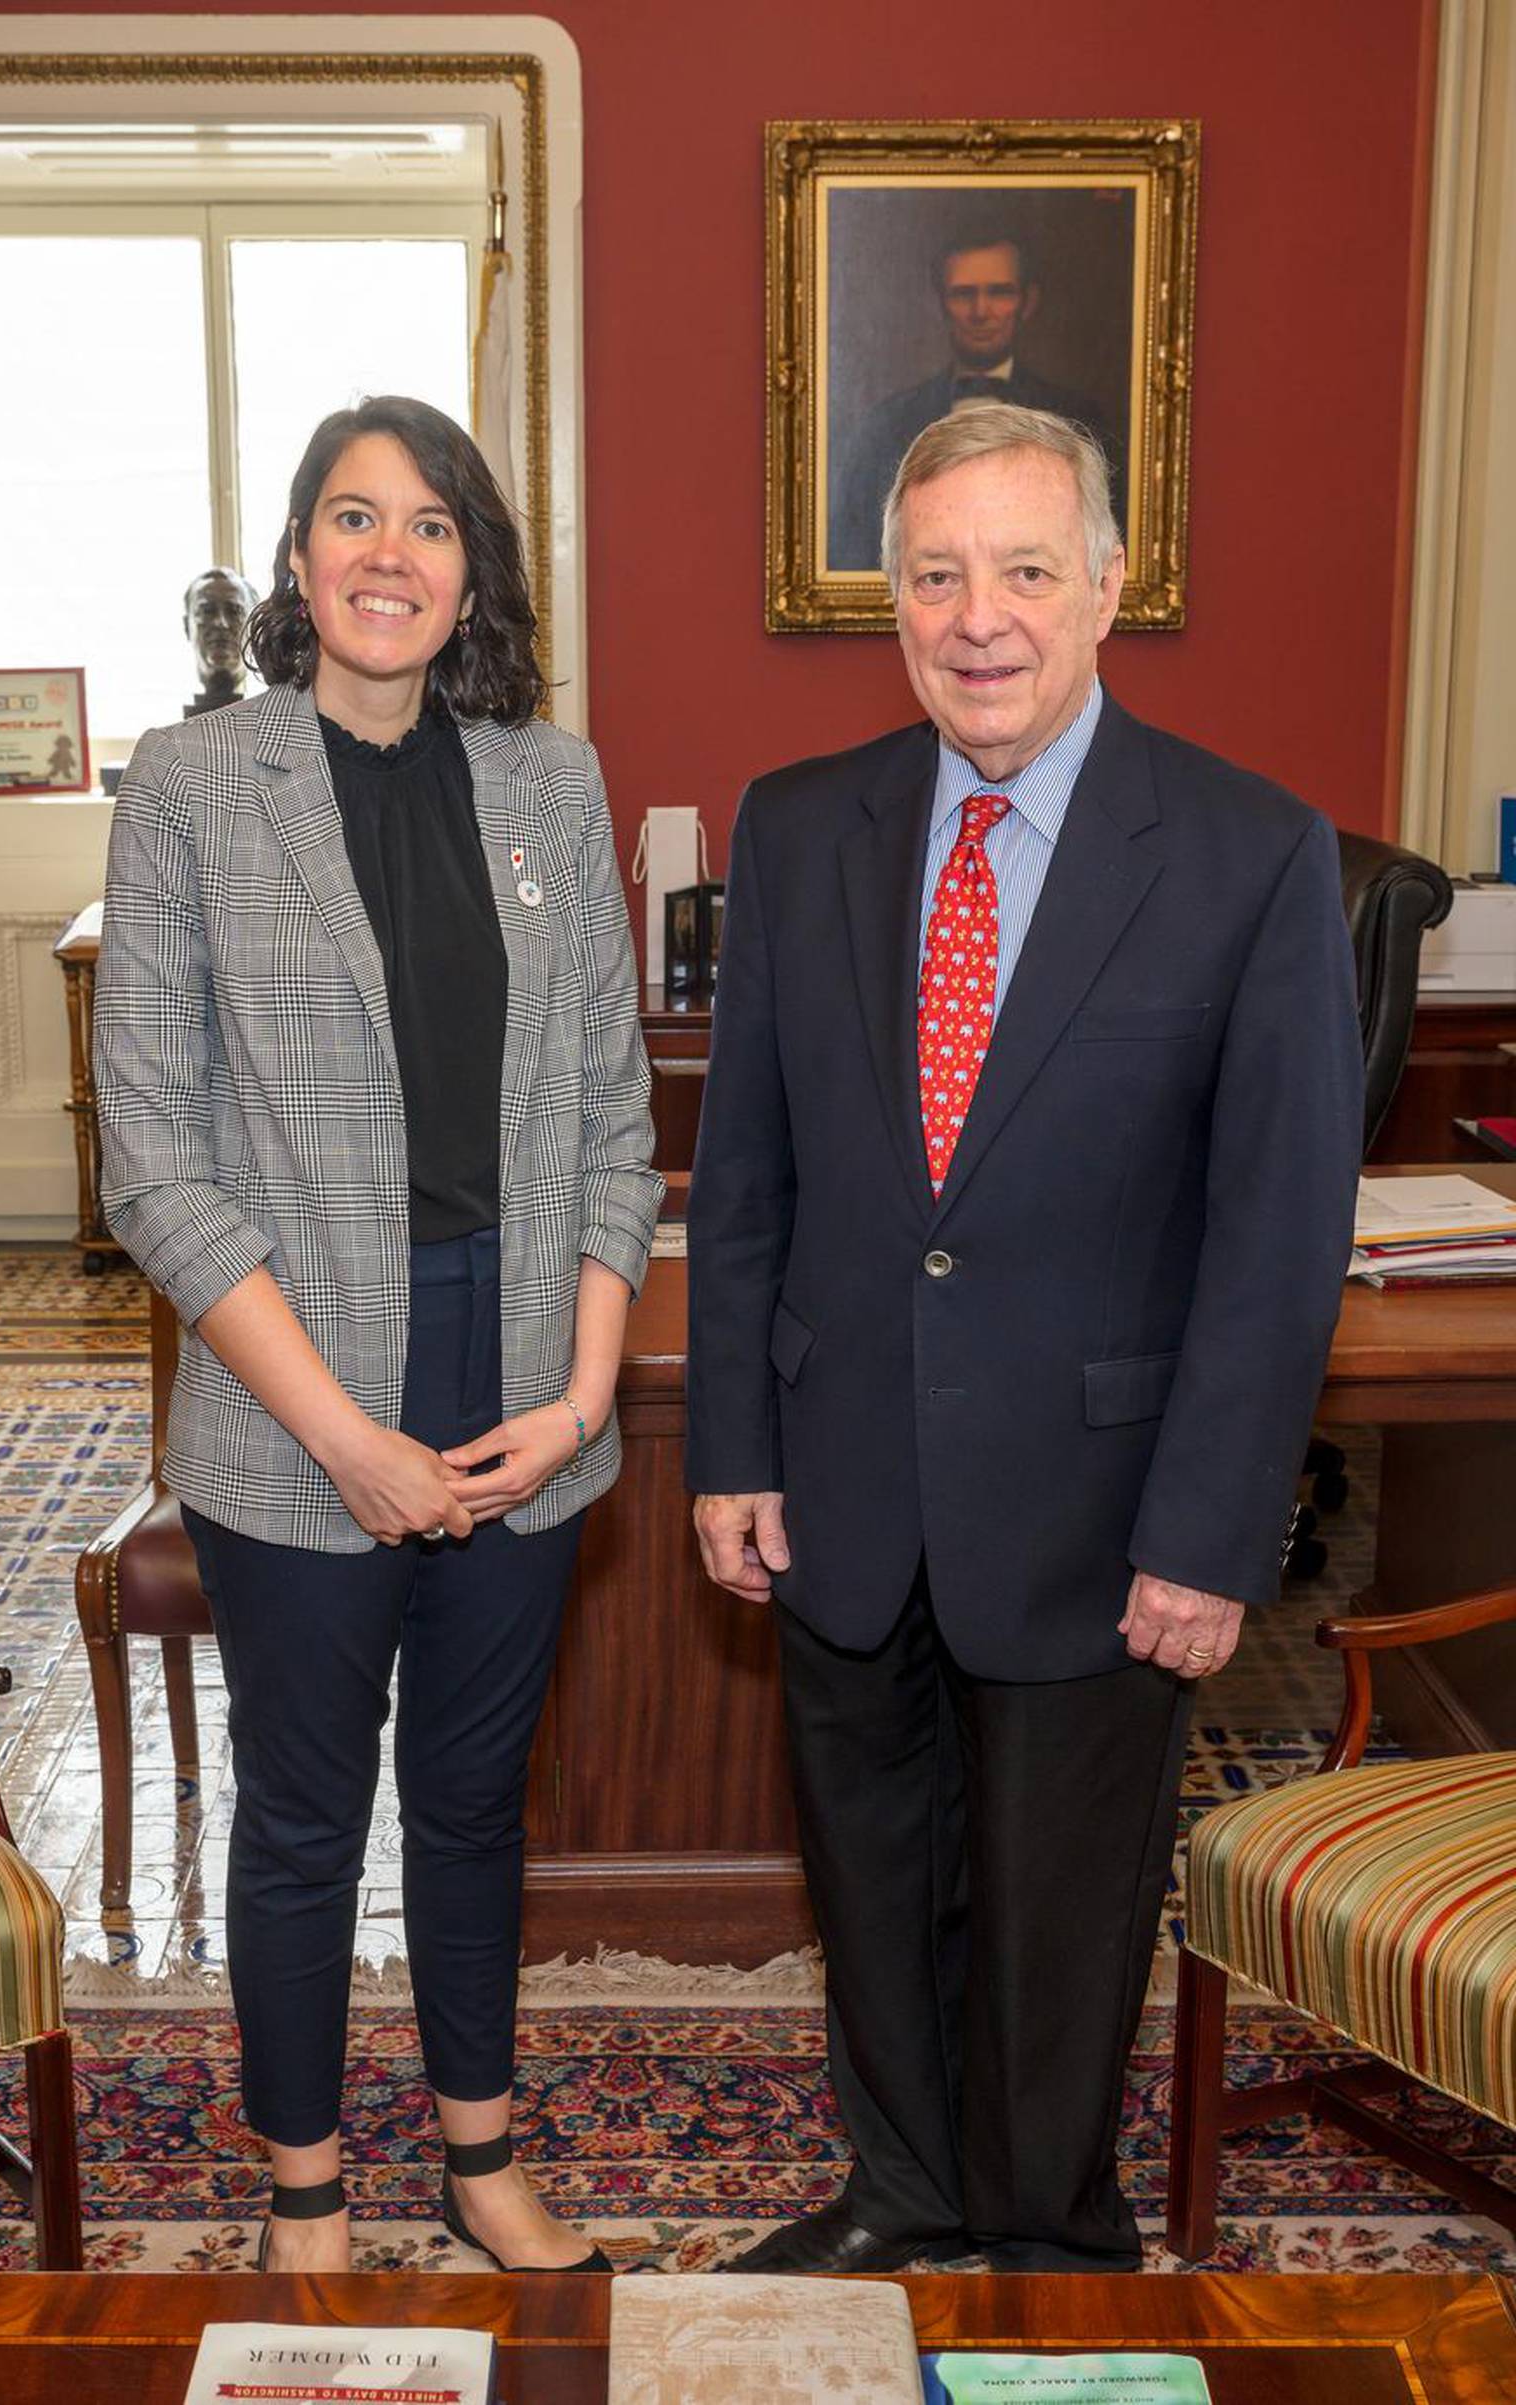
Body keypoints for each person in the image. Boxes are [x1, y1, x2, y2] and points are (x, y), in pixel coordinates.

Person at [687, 399, 1362, 2274]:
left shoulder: (1249, 853)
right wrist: (733, 1442)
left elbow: (1277, 1238)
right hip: (840, 1485)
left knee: (1064, 1923)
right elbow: (745, 1174)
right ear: (890, 597)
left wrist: (1213, 1537)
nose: (979, 617)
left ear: (1108, 589)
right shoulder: (803, 826)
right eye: (935, 574)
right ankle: (900, 2196)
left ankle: (1052, 2243)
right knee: (875, 1883)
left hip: (1099, 1511)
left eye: (1025, 570)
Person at [96, 395, 662, 2275]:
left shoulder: (549, 784)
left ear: (473, 569)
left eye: (429, 523)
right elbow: (154, 1166)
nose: (388, 554)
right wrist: (338, 1432)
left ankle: (481, 2160)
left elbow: (606, 1116)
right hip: (291, 1394)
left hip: (518, 1381)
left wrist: (582, 1393)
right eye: (351, 516)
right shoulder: (194, 788)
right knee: (308, 1817)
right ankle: (307, 2196)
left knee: (477, 1803)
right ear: (296, 559)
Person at [828, 229, 1124, 571]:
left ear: (1027, 302)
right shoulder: (886, 425)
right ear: (941, 303)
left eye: (999, 292)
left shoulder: (1080, 420)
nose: (981, 311)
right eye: (963, 294)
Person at [182, 565, 257, 716]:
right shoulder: (163, 737)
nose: (221, 623)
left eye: (234, 611)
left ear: (252, 627)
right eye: (207, 611)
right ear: (187, 626)